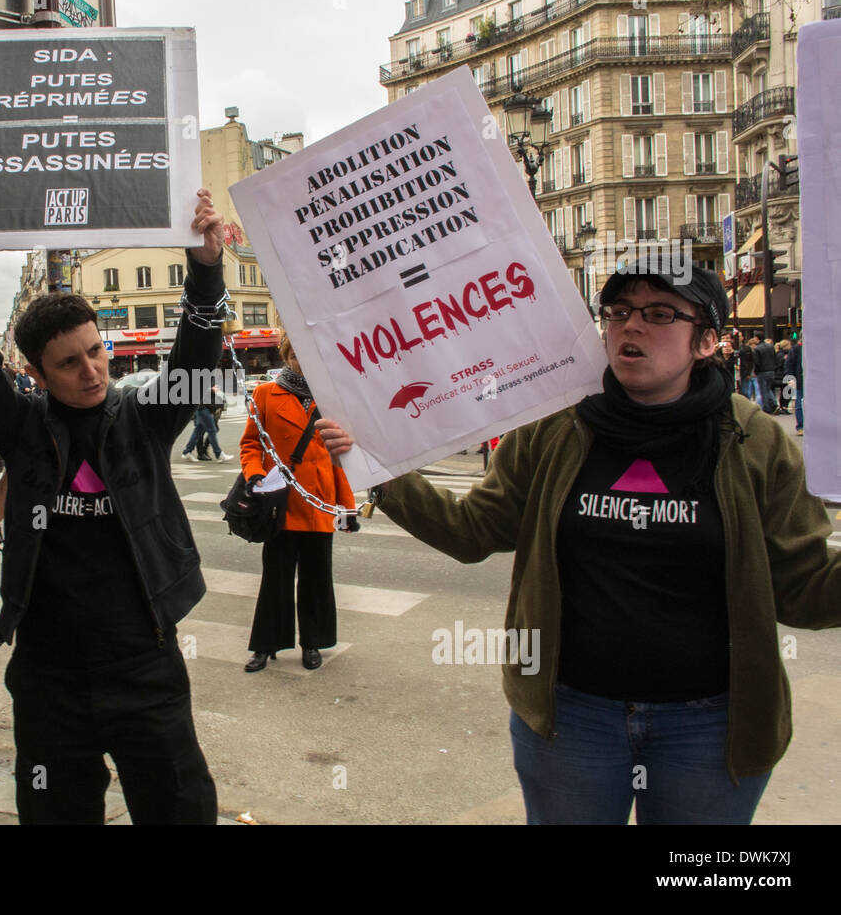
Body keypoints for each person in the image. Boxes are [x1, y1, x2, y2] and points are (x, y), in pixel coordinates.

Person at [319, 256, 839, 824]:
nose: (631, 326)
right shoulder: (557, 424)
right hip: (573, 719)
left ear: (707, 341)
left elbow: (803, 589)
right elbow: (473, 531)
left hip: (711, 726)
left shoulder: (756, 441)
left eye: (660, 313)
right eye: (619, 311)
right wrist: (376, 468)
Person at [0, 188, 224, 825]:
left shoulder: (141, 418)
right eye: (69, 364)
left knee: (181, 810)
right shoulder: (20, 428)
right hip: (49, 677)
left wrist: (205, 268)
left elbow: (196, 364)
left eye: (95, 352)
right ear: (37, 374)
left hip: (145, 664)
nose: (92, 371)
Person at [239, 333, 355, 673]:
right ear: (286, 356)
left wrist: (347, 509)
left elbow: (341, 458)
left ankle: (313, 643)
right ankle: (265, 646)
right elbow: (250, 445)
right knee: (275, 578)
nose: (302, 362)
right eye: (296, 355)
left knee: (317, 578)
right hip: (281, 504)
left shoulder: (332, 398)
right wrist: (254, 476)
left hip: (321, 503)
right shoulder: (265, 394)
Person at [751, 330, 778, 413]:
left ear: (757, 338)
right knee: (768, 388)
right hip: (771, 370)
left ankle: (767, 408)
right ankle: (773, 403)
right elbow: (774, 358)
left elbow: (757, 362)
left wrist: (755, 371)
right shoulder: (770, 347)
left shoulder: (757, 349)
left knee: (763, 390)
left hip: (762, 371)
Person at [784, 337, 804, 435]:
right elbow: (789, 364)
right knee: (799, 404)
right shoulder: (796, 349)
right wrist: (791, 378)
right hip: (800, 380)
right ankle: (801, 426)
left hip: (809, 381)